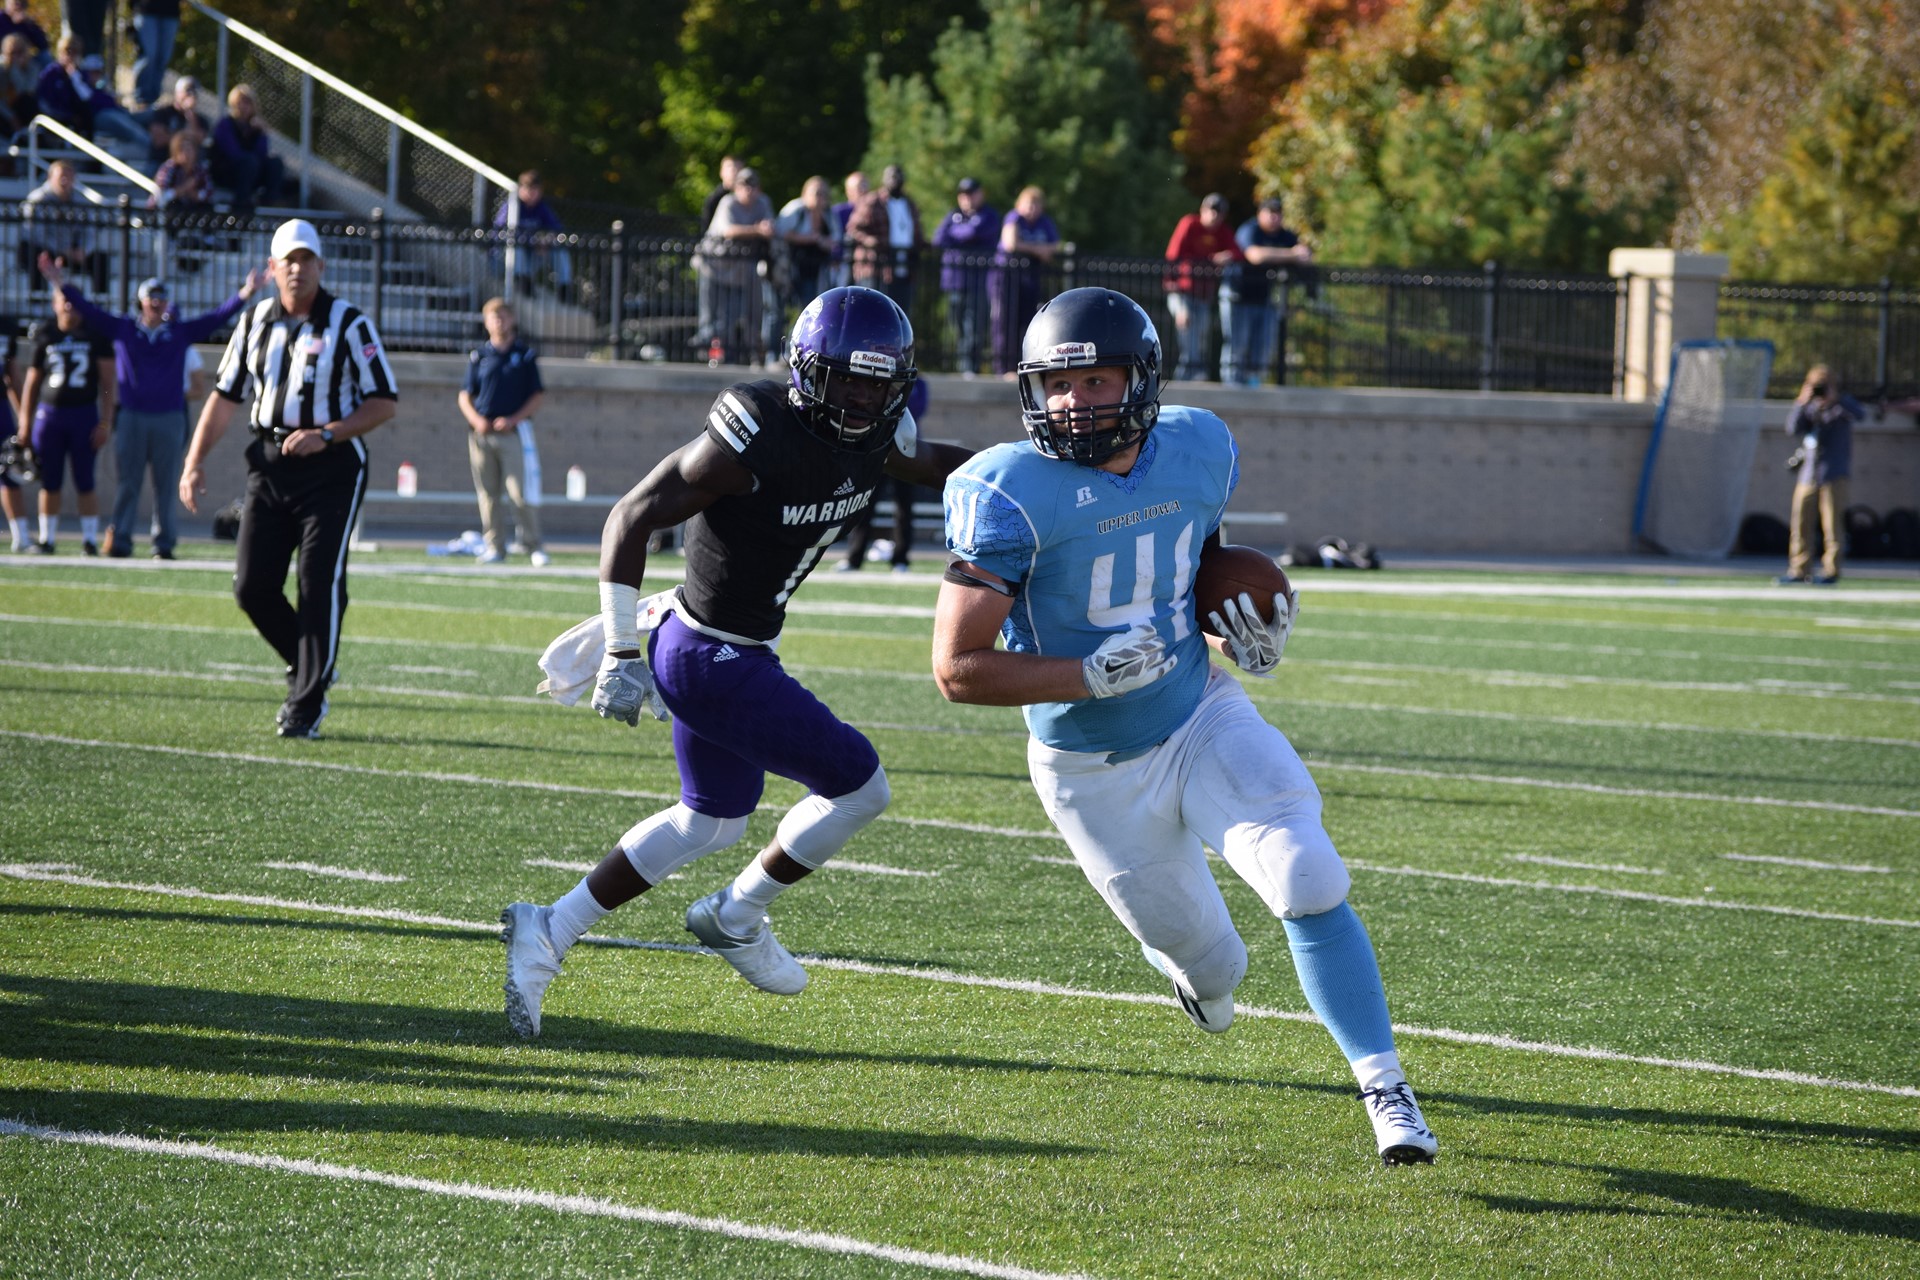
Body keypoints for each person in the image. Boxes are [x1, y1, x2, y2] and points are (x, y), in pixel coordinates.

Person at [931, 287, 1438, 1167]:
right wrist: (1084, 675)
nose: (1072, 404)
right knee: (1215, 968)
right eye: (1055, 386)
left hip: (1198, 712)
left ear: (1140, 381)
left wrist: (1242, 633)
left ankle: (1385, 1088)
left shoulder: (1198, 446)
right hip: (1090, 767)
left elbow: (1194, 570)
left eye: (1094, 383)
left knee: (1306, 875)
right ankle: (1198, 979)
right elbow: (957, 669)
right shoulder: (1005, 489)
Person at [499, 286, 973, 1038]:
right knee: (860, 788)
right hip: (707, 654)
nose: (856, 398)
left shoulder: (877, 437)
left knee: (709, 823)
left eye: (874, 384)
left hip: (735, 646)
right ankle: (738, 912)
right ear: (805, 371)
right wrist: (622, 647)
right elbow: (631, 514)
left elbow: (947, 466)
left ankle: (548, 928)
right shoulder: (757, 429)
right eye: (843, 378)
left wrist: (1035, 474)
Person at [179, 219, 399, 738]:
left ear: (321, 266)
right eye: (288, 261)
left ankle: (305, 703)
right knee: (251, 586)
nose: (297, 269)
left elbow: (384, 402)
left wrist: (329, 432)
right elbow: (224, 396)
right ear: (273, 268)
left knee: (317, 582)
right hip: (271, 462)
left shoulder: (348, 322)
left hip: (332, 466)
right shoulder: (254, 321)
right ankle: (310, 665)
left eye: (307, 260)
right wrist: (193, 461)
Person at [38, 253, 261, 558]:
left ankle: (164, 543)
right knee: (128, 482)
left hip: (169, 417)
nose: (156, 302)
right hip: (132, 416)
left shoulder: (178, 332)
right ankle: (121, 540)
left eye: (161, 298)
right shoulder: (126, 329)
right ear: (140, 301)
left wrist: (246, 293)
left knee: (166, 484)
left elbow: (216, 317)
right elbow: (88, 310)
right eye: (150, 297)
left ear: (167, 303)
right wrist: (58, 282)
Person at [15, 276, 114, 553]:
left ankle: (89, 540)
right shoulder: (46, 333)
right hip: (50, 417)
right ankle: (48, 538)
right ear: (54, 303)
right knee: (50, 479)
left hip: (83, 415)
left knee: (85, 479)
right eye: (63, 300)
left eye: (73, 300)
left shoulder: (94, 335)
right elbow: (32, 384)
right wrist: (25, 423)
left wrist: (105, 421)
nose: (68, 305)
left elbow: (108, 385)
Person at [459, 297, 548, 567]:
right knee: (488, 494)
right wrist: (477, 420)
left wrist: (513, 419)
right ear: (486, 323)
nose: (499, 321)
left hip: (513, 433)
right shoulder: (479, 356)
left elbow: (537, 395)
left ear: (513, 320)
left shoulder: (524, 355)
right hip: (482, 435)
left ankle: (533, 544)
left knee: (519, 492)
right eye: (493, 317)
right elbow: (465, 395)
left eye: (504, 316)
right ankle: (494, 546)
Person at [1777, 364, 1861, 586]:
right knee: (1800, 523)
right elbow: (1792, 428)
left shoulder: (1842, 405)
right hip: (1808, 474)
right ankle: (1799, 568)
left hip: (1833, 473)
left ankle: (1831, 570)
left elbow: (1860, 414)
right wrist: (1801, 401)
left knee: (1832, 525)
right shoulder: (1810, 407)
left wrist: (1835, 400)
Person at [837, 376, 929, 573]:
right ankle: (854, 557)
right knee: (864, 504)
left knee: (904, 508)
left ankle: (901, 559)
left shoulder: (918, 383)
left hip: (906, 450)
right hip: (878, 447)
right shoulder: (881, 381)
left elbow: (917, 409)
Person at [1219, 196, 1312, 387]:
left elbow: (1305, 255)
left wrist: (1301, 255)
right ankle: (1232, 384)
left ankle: (1254, 383)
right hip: (1238, 296)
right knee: (1237, 344)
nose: (1273, 218)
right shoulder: (1250, 230)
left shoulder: (1284, 236)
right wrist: (1292, 255)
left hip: (1264, 298)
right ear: (1259, 214)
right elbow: (1255, 256)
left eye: (1277, 213)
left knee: (1263, 346)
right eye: (1269, 213)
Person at [1162, 193, 1243, 382]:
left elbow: (1238, 253)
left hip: (1203, 295)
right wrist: (1176, 297)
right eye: (1211, 210)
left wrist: (1227, 256)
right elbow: (1173, 255)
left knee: (1198, 340)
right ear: (1203, 210)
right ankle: (1186, 380)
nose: (1214, 216)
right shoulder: (1189, 224)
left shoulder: (1223, 231)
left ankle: (1190, 377)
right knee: (1187, 336)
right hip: (1181, 292)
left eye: (1218, 212)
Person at [701, 165, 773, 366]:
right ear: (736, 187)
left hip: (741, 270)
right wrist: (757, 230)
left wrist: (762, 230)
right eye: (743, 185)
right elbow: (728, 231)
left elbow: (770, 228)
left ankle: (744, 355)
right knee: (716, 316)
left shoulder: (763, 203)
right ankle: (715, 356)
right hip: (715, 268)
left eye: (753, 185)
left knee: (746, 313)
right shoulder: (728, 202)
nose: (749, 190)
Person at [987, 185, 1058, 376]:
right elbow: (1011, 243)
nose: (1032, 209)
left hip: (1029, 278)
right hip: (1006, 276)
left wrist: (1029, 247)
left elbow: (1053, 248)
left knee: (1027, 323)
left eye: (1036, 205)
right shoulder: (1014, 218)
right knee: (1005, 322)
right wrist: (1037, 249)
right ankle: (1004, 368)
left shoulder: (1045, 223)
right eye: (1028, 204)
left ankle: (1022, 365)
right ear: (1019, 204)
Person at [933, 177, 998, 376]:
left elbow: (971, 232)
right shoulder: (953, 214)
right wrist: (959, 232)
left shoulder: (989, 216)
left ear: (980, 194)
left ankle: (970, 367)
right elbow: (938, 239)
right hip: (954, 282)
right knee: (958, 325)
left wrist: (958, 233)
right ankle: (963, 365)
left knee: (974, 328)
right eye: (963, 195)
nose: (967, 199)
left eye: (971, 194)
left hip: (978, 282)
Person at [35, 39, 146, 146]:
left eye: (75, 52)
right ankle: (152, 148)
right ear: (60, 52)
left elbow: (94, 95)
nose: (71, 56)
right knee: (129, 127)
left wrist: (75, 77)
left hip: (104, 112)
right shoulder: (51, 74)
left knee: (146, 117)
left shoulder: (81, 73)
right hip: (89, 117)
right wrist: (75, 78)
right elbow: (85, 98)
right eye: (67, 51)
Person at [493, 168, 572, 293]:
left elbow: (557, 228)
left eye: (536, 190)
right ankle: (521, 281)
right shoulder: (511, 206)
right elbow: (502, 233)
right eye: (529, 190)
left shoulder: (541, 208)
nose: (532, 194)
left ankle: (565, 287)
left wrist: (546, 239)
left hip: (532, 256)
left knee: (558, 248)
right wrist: (533, 241)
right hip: (503, 260)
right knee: (516, 247)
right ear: (520, 189)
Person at [209, 84, 284, 212]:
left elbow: (262, 154)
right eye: (240, 102)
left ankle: (269, 204)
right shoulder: (225, 124)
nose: (243, 107)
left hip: (251, 171)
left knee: (275, 162)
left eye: (247, 102)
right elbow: (233, 152)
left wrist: (261, 134)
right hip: (227, 171)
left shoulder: (256, 128)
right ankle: (240, 208)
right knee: (249, 162)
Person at [775, 175, 835, 318]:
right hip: (789, 269)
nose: (821, 197)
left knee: (815, 309)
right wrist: (811, 239)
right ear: (805, 193)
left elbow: (834, 240)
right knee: (786, 310)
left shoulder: (829, 215)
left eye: (824, 193)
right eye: (817, 193)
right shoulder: (795, 210)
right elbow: (780, 233)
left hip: (817, 270)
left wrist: (821, 241)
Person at [876, 163, 923, 313]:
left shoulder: (909, 204)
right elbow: (855, 228)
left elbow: (916, 230)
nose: (896, 180)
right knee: (882, 308)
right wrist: (874, 242)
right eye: (892, 176)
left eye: (899, 176)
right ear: (884, 179)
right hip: (881, 265)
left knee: (902, 310)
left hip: (905, 264)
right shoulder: (874, 202)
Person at [129, 0, 179, 111]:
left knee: (163, 58)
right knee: (148, 56)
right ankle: (141, 100)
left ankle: (153, 101)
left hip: (170, 12)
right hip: (146, 10)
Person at [151, 130, 212, 211]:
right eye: (182, 149)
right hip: (162, 212)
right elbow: (161, 197)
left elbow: (208, 192)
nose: (186, 154)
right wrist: (182, 189)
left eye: (189, 150)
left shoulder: (199, 170)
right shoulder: (169, 168)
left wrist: (194, 194)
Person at [828, 170, 867, 289]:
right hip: (842, 264)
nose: (862, 190)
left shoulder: (873, 212)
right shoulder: (838, 212)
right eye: (857, 187)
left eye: (864, 186)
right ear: (848, 191)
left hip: (864, 264)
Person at [0, 32, 39, 135]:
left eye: (20, 51)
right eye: (12, 52)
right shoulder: (1, 69)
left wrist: (15, 69)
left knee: (28, 102)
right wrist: (11, 116)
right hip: (4, 111)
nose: (16, 56)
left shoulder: (32, 68)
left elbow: (26, 90)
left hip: (21, 108)